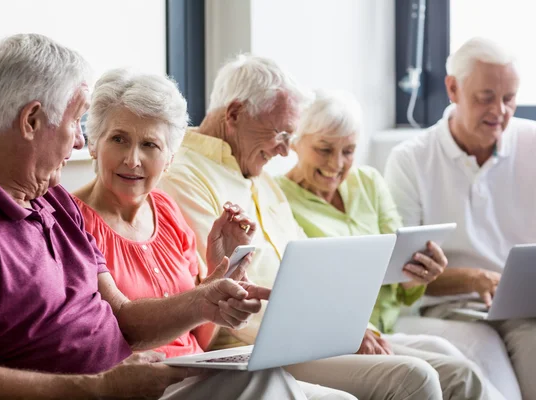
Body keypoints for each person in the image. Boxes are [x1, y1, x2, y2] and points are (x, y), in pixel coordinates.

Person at [0, 34, 329, 400]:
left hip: (131, 379)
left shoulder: (52, 199)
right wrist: (104, 387)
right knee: (264, 382)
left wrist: (204, 301)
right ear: (32, 120)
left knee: (268, 379)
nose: (78, 141)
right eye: (76, 122)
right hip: (103, 392)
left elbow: (121, 315)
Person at [160, 53, 500, 400]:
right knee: (415, 378)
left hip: (316, 336)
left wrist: (355, 327)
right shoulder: (185, 175)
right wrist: (338, 331)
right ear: (233, 114)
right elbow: (223, 296)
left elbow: (313, 271)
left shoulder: (262, 179)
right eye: (280, 135)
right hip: (263, 346)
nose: (283, 152)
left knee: (461, 375)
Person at [71, 68, 354, 399]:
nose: (133, 159)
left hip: (197, 369)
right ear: (94, 144)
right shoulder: (73, 221)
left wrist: (226, 267)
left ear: (169, 157)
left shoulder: (165, 210)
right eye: (118, 139)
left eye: (150, 144)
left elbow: (200, 338)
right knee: (263, 380)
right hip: (144, 384)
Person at [276, 88, 506, 398]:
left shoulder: (367, 182)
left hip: (389, 323)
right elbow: (298, 288)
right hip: (338, 333)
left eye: (349, 151)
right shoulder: (278, 198)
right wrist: (354, 329)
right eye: (324, 149)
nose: (337, 164)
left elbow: (403, 282)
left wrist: (419, 273)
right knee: (452, 374)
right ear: (295, 143)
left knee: (464, 369)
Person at [384, 37, 536, 400]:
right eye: (486, 97)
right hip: (450, 309)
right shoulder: (411, 159)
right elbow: (404, 279)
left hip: (525, 309)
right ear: (453, 88)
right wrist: (474, 278)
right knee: (501, 390)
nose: (499, 110)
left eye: (509, 98)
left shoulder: (531, 143)